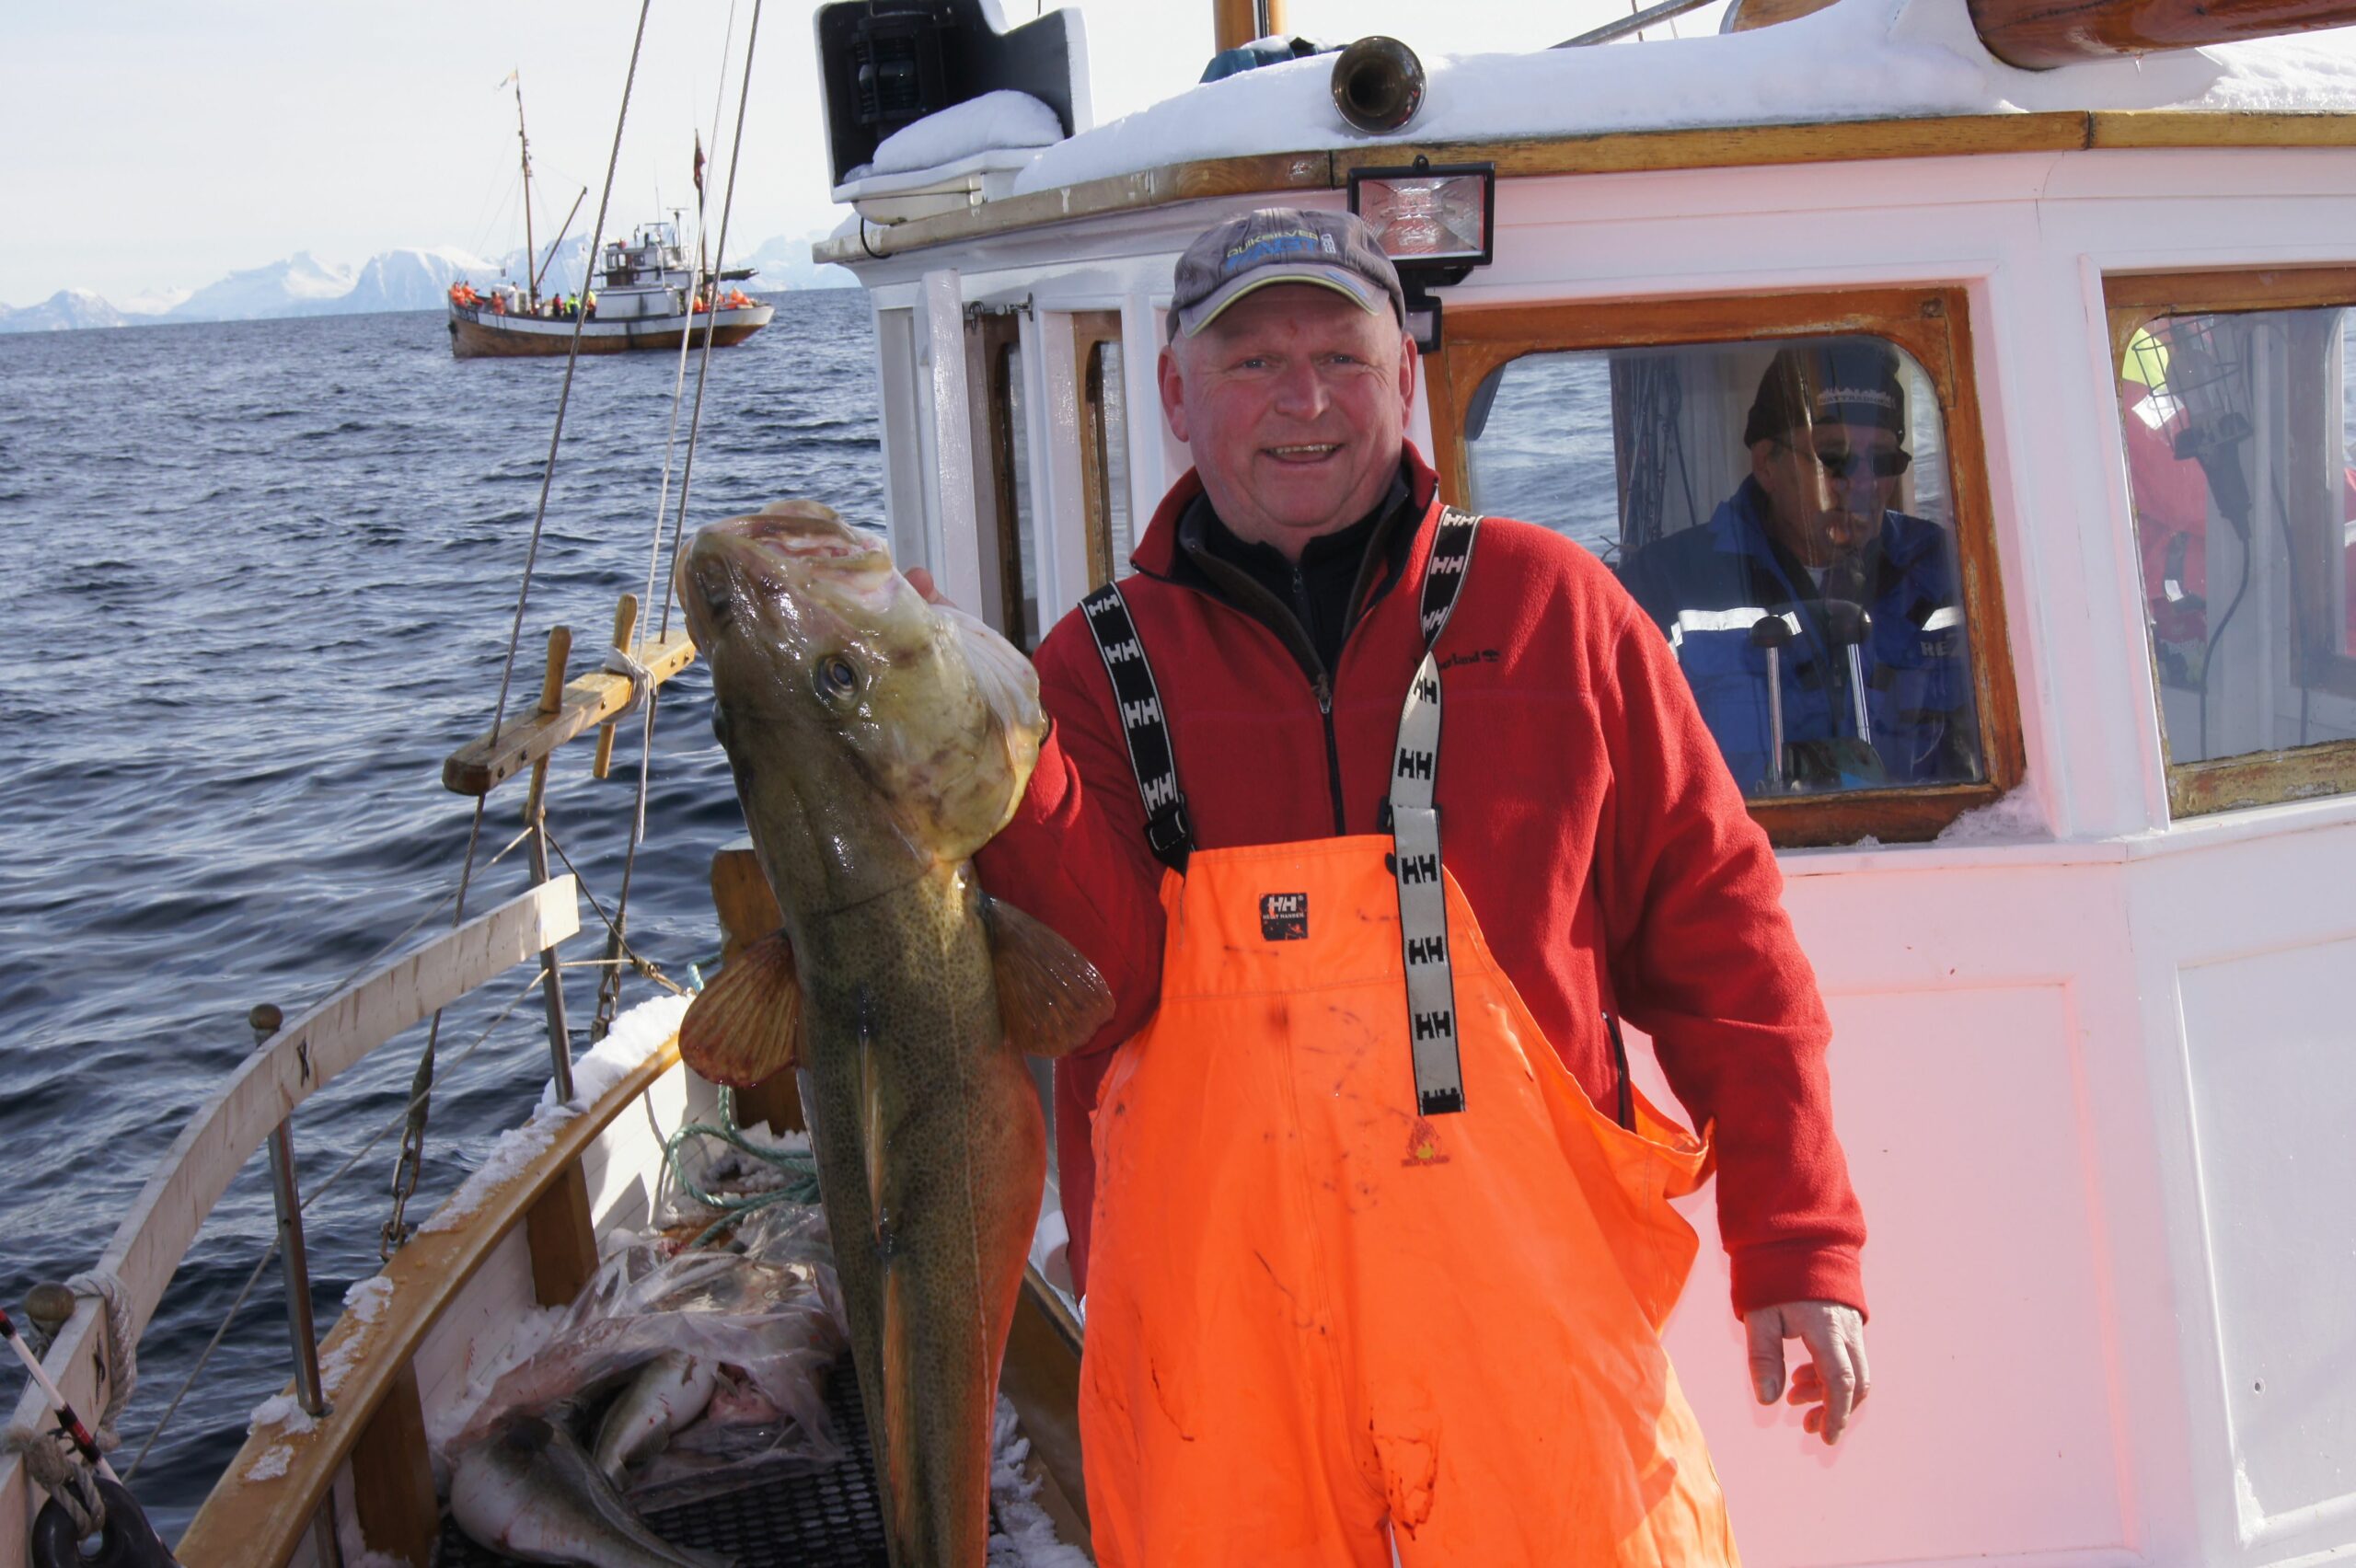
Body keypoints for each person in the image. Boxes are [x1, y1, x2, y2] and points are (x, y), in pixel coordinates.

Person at [956, 209, 1869, 1567]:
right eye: (1254, 360)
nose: (1304, 399)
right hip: (1213, 1352)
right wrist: (984, 764)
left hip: (1529, 1318)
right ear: (1174, 394)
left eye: (1340, 352)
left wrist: (1795, 1242)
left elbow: (1722, 933)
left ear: (1405, 380)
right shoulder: (1087, 672)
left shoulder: (1553, 606)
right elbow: (1093, 1000)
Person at [1619, 343, 1976, 794]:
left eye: (1883, 461)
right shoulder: (1661, 587)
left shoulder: (1953, 573)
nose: (1864, 482)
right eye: (1836, 459)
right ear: (1768, 463)